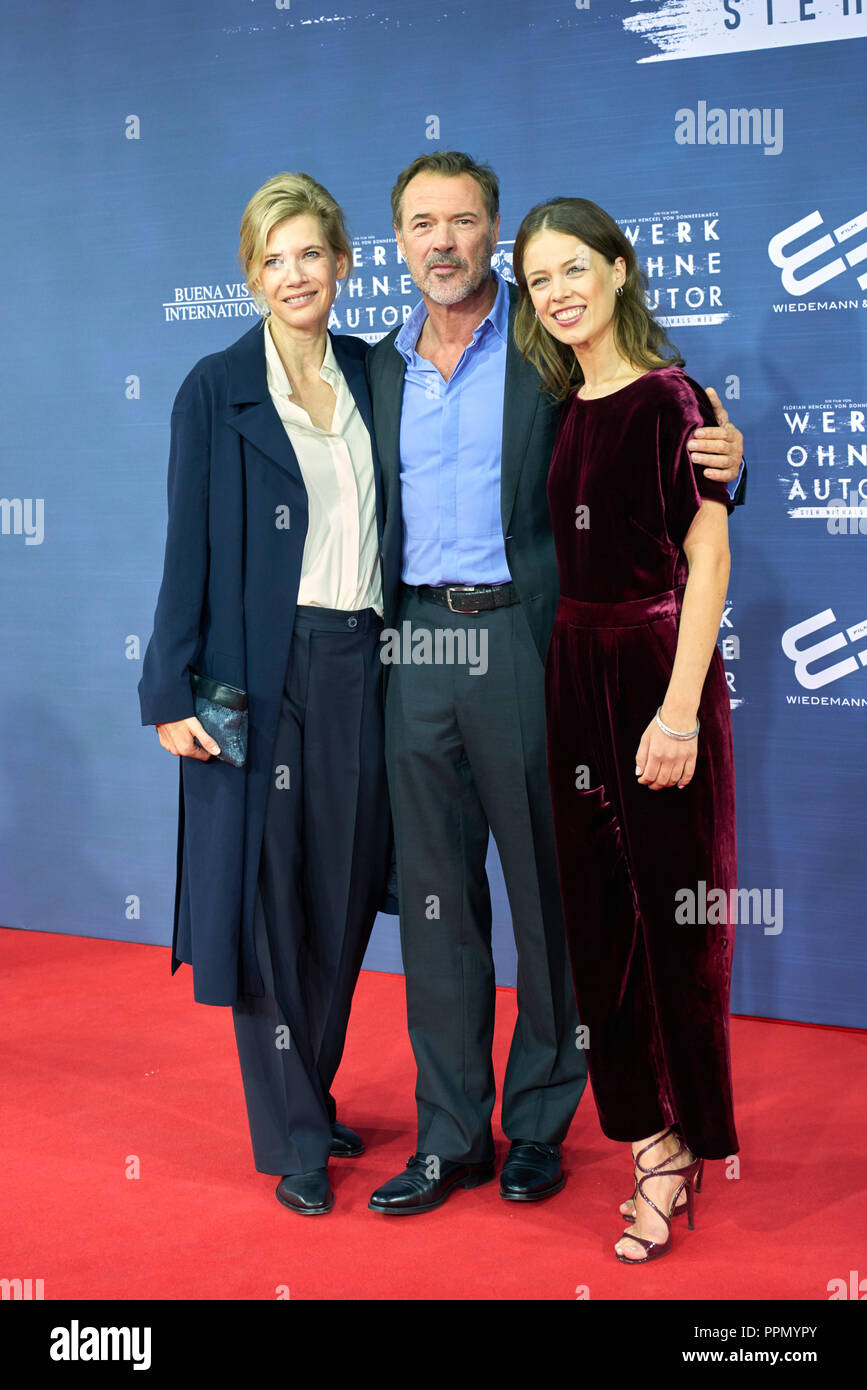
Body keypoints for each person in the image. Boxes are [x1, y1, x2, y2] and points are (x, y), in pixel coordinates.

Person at [364, 152, 745, 1216]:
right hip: (414, 652)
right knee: (436, 912)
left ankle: (538, 1121)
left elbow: (654, 428)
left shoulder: (541, 350)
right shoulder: (373, 367)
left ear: (495, 236)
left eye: (465, 221)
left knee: (555, 899)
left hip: (529, 651)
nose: (443, 241)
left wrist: (728, 459)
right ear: (397, 242)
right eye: (421, 223)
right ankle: (450, 1136)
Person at [138, 172, 395, 1216]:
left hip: (367, 666)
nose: (293, 274)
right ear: (250, 275)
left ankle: (311, 1088)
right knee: (265, 905)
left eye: (310, 253)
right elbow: (185, 546)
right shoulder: (215, 387)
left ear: (341, 262)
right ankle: (292, 1131)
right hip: (255, 674)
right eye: (271, 258)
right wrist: (168, 689)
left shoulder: (382, 378)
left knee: (341, 897)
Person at [512, 195, 739, 1263]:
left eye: (572, 269)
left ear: (618, 268)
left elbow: (711, 557)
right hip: (573, 668)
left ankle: (690, 1139)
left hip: (654, 663)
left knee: (675, 926)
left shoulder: (672, 397)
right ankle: (647, 1138)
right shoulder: (565, 399)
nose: (557, 292)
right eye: (538, 279)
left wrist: (682, 708)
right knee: (597, 922)